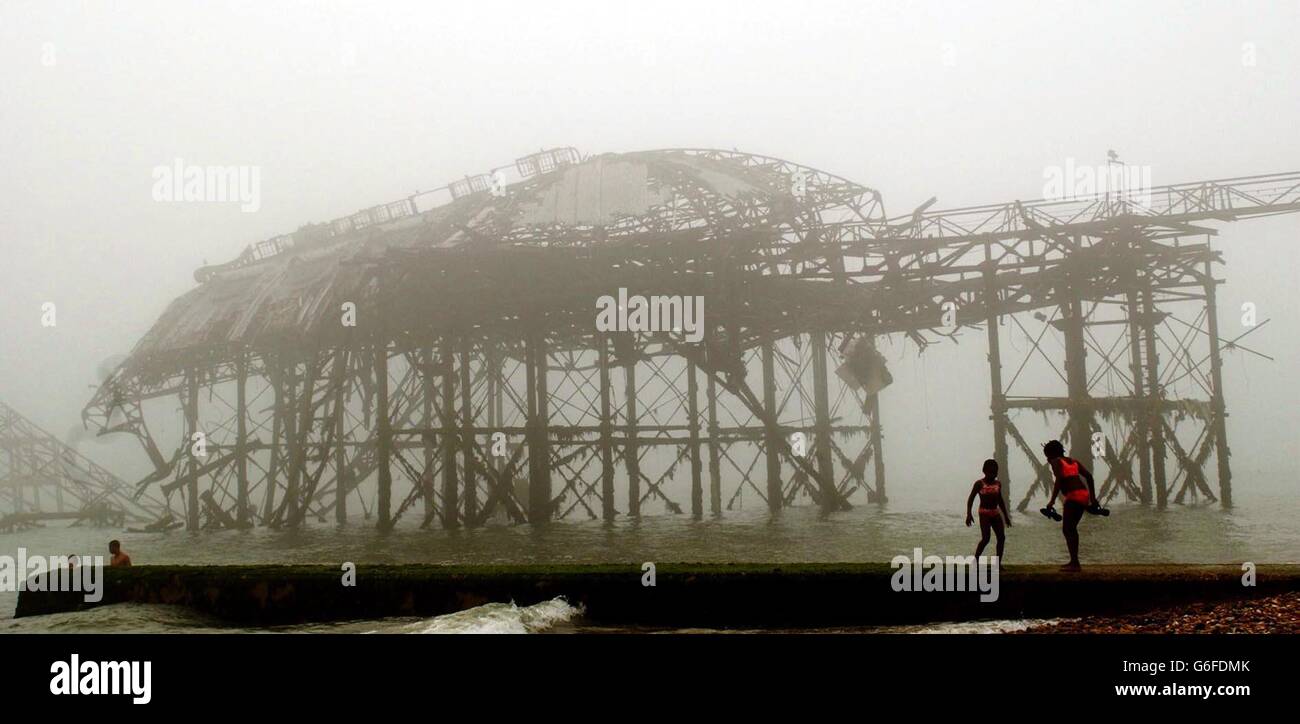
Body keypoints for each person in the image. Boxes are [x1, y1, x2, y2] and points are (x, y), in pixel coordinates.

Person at [1041, 440, 1097, 572]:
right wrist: (1093, 499)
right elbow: (1089, 477)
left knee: (1068, 529)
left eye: (1047, 456)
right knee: (1072, 528)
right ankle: (1074, 561)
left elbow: (1059, 480)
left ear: (1052, 454)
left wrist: (1052, 501)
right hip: (1083, 495)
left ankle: (1074, 563)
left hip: (1073, 496)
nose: (1047, 460)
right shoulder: (1073, 461)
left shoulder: (1056, 462)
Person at [965, 458, 1011, 562]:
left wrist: (1006, 517)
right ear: (984, 471)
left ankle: (998, 564)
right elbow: (971, 499)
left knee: (1001, 538)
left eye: (995, 472)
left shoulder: (998, 484)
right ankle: (975, 560)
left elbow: (1000, 500)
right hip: (984, 513)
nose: (992, 474)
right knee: (986, 538)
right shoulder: (979, 484)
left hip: (995, 512)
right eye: (990, 472)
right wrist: (969, 514)